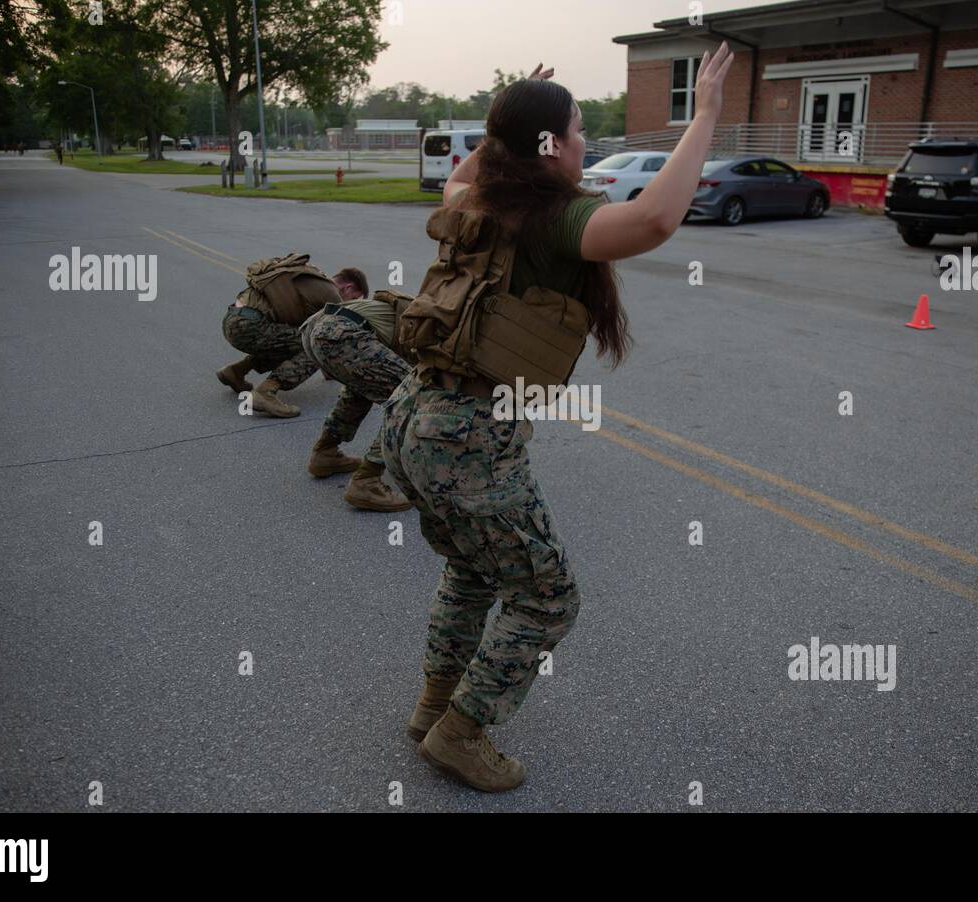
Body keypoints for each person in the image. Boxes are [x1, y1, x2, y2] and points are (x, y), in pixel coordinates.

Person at [380, 44, 735, 792]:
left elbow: (461, 172)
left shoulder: (472, 203)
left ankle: (432, 707)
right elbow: (656, 220)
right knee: (547, 596)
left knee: (473, 571)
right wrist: (703, 114)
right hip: (469, 436)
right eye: (576, 129)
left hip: (413, 418)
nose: (584, 142)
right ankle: (462, 732)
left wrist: (505, 130)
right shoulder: (553, 218)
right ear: (551, 145)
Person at [300, 291, 414, 512]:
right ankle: (367, 481)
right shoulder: (445, 331)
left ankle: (325, 453)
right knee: (414, 396)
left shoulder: (426, 308)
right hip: (342, 333)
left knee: (362, 387)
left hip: (316, 326)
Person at [215, 257, 368, 417]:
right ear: (349, 287)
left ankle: (236, 371)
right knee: (318, 342)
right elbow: (334, 340)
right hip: (250, 327)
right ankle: (266, 392)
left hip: (234, 321)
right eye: (355, 298)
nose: (352, 303)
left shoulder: (312, 279)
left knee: (293, 339)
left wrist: (326, 368)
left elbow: (309, 329)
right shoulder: (332, 295)